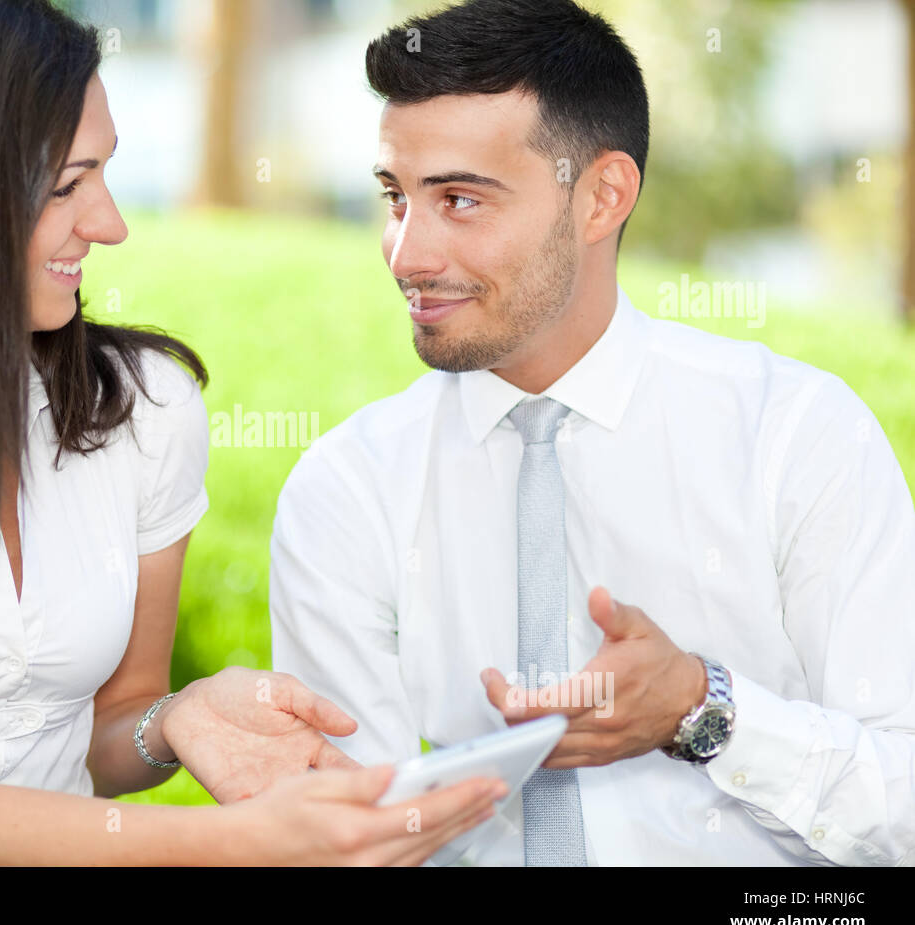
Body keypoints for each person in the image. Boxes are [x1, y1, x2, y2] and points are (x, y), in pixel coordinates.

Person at [0, 0, 504, 866]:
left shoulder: (146, 408)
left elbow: (107, 731)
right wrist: (245, 843)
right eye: (67, 185)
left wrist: (171, 722)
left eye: (105, 175)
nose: (109, 223)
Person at [270, 0, 915, 866]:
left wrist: (703, 710)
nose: (407, 254)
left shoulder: (795, 436)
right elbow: (350, 833)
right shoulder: (346, 487)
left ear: (602, 196)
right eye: (397, 198)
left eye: (460, 200)